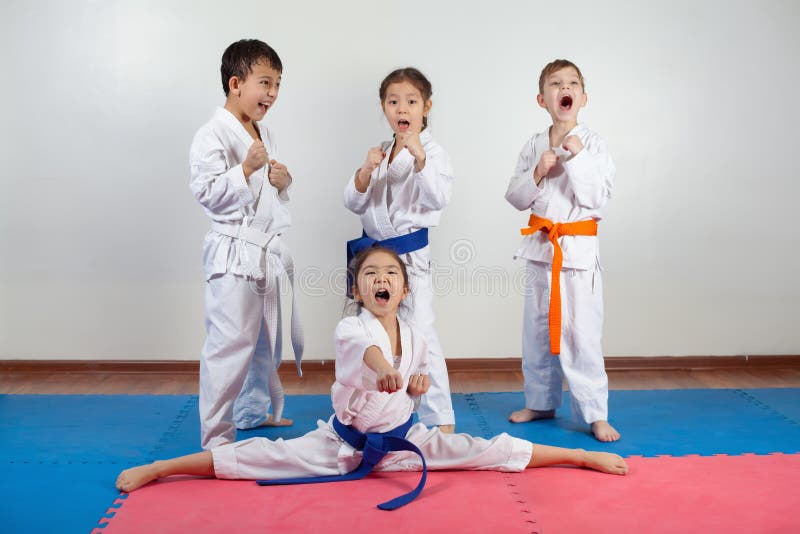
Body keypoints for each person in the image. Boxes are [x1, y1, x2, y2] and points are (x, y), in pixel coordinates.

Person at [116, 247, 628, 510]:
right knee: (257, 457)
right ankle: (165, 467)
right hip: (343, 443)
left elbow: (414, 376)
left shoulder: (417, 334)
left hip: (406, 442)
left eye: (390, 274)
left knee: (487, 450)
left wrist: (417, 385)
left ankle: (580, 455)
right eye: (370, 275)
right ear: (357, 290)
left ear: (404, 288)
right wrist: (384, 371)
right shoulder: (349, 327)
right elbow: (368, 356)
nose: (381, 280)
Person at [189, 39, 303, 450]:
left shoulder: (264, 130)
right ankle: (216, 436)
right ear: (236, 83)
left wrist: (283, 183)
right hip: (233, 253)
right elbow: (204, 192)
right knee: (229, 345)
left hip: (262, 251)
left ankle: (251, 413)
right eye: (265, 83)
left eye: (277, 84)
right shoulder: (210, 135)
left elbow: (268, 197)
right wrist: (244, 170)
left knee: (261, 341)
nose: (272, 93)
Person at [505, 59, 619, 442]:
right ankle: (539, 402)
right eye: (555, 83)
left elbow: (596, 196)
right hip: (540, 252)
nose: (563, 88)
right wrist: (538, 171)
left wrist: (578, 157)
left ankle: (594, 412)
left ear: (582, 97)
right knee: (536, 333)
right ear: (543, 99)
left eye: (571, 83)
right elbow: (515, 197)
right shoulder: (534, 145)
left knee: (582, 335)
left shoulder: (595, 145)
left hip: (579, 256)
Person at [343, 67, 455, 432]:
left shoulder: (433, 152)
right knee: (376, 335)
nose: (401, 108)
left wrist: (420, 159)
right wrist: (365, 170)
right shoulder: (381, 151)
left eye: (410, 101)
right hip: (374, 260)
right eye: (393, 101)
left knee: (421, 333)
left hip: (409, 260)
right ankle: (384, 414)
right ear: (384, 107)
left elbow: (439, 197)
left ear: (426, 107)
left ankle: (441, 419)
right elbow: (353, 202)